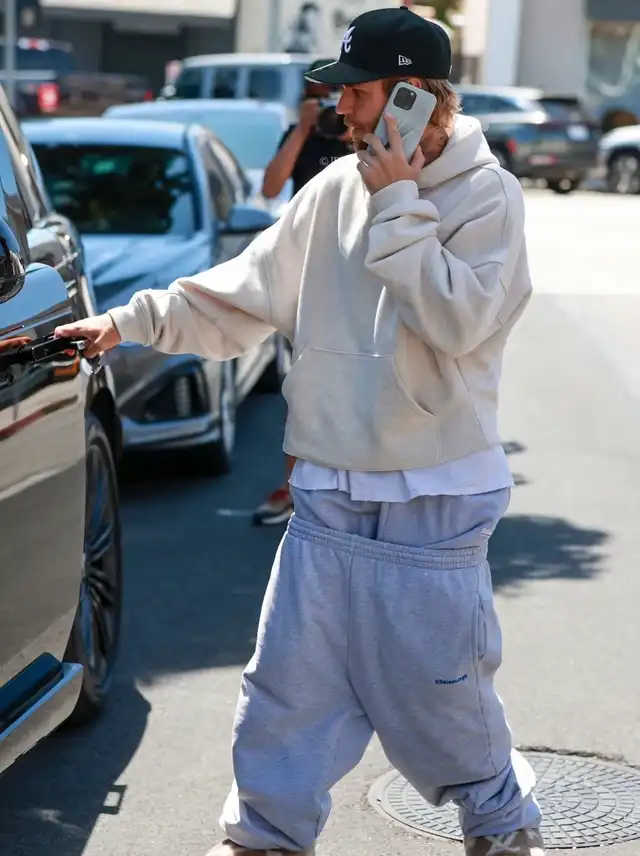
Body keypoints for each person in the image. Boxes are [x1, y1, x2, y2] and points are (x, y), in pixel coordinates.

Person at [55, 8, 545, 856]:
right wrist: (126, 323)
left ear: (414, 97)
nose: (340, 110)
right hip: (328, 483)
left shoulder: (487, 196)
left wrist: (399, 203)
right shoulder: (334, 189)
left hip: (434, 491)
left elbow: (458, 322)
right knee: (287, 686)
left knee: (442, 690)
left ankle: (503, 829)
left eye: (357, 94)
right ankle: (264, 839)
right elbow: (243, 293)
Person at [253, 60, 352, 527]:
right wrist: (302, 130)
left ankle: (350, 488)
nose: (331, 106)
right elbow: (271, 186)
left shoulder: (366, 135)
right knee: (305, 388)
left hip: (361, 274)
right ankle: (294, 487)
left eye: (338, 95)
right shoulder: (303, 135)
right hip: (310, 275)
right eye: (318, 97)